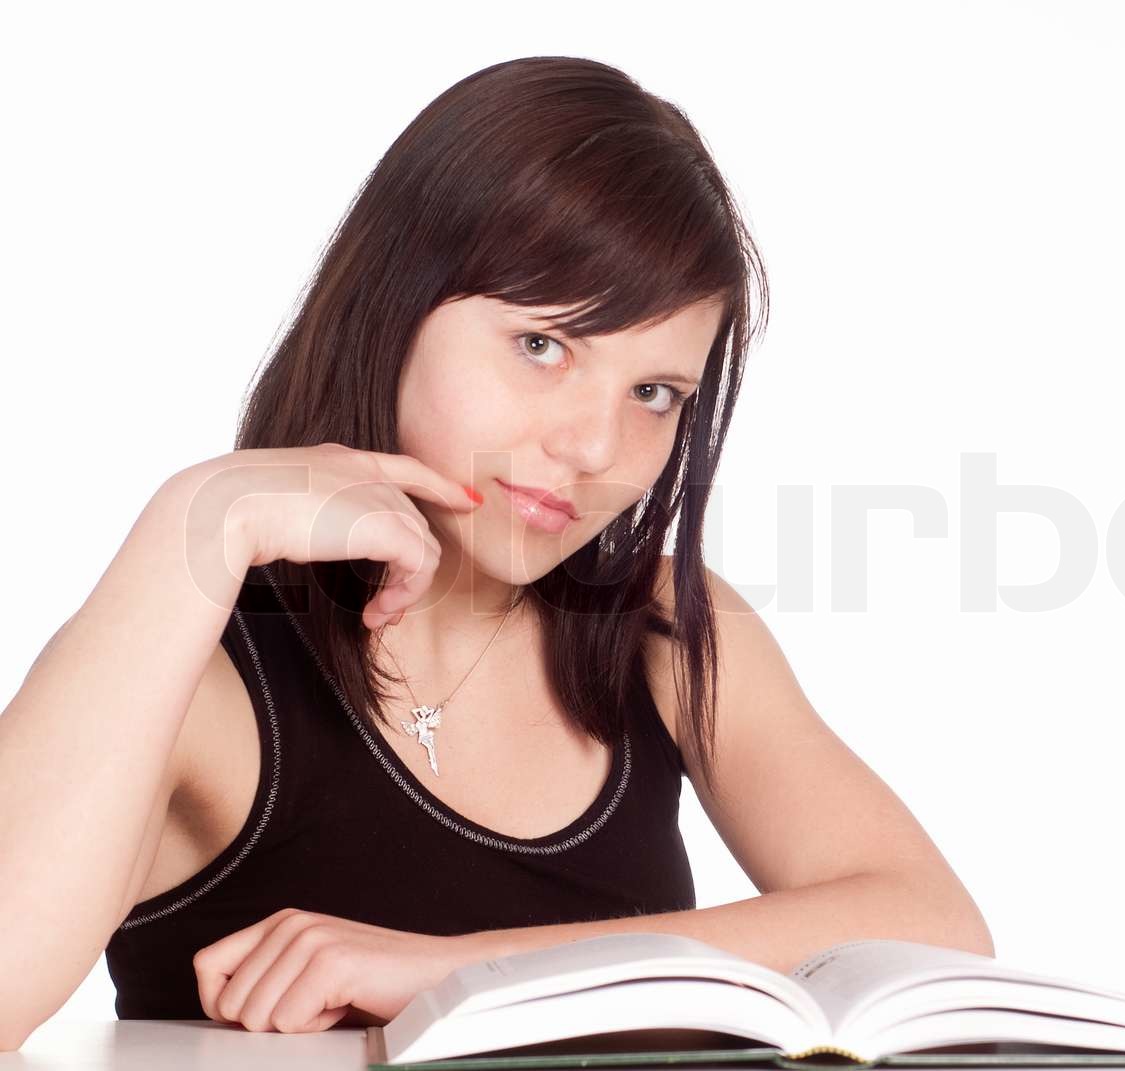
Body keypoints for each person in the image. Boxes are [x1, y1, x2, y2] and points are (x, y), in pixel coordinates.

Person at [0, 56, 993, 1048]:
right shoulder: (200, 664)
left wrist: (450, 972)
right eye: (543, 346)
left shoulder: (658, 634)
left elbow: (931, 927)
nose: (595, 447)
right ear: (392, 308)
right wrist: (198, 518)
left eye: (654, 394)